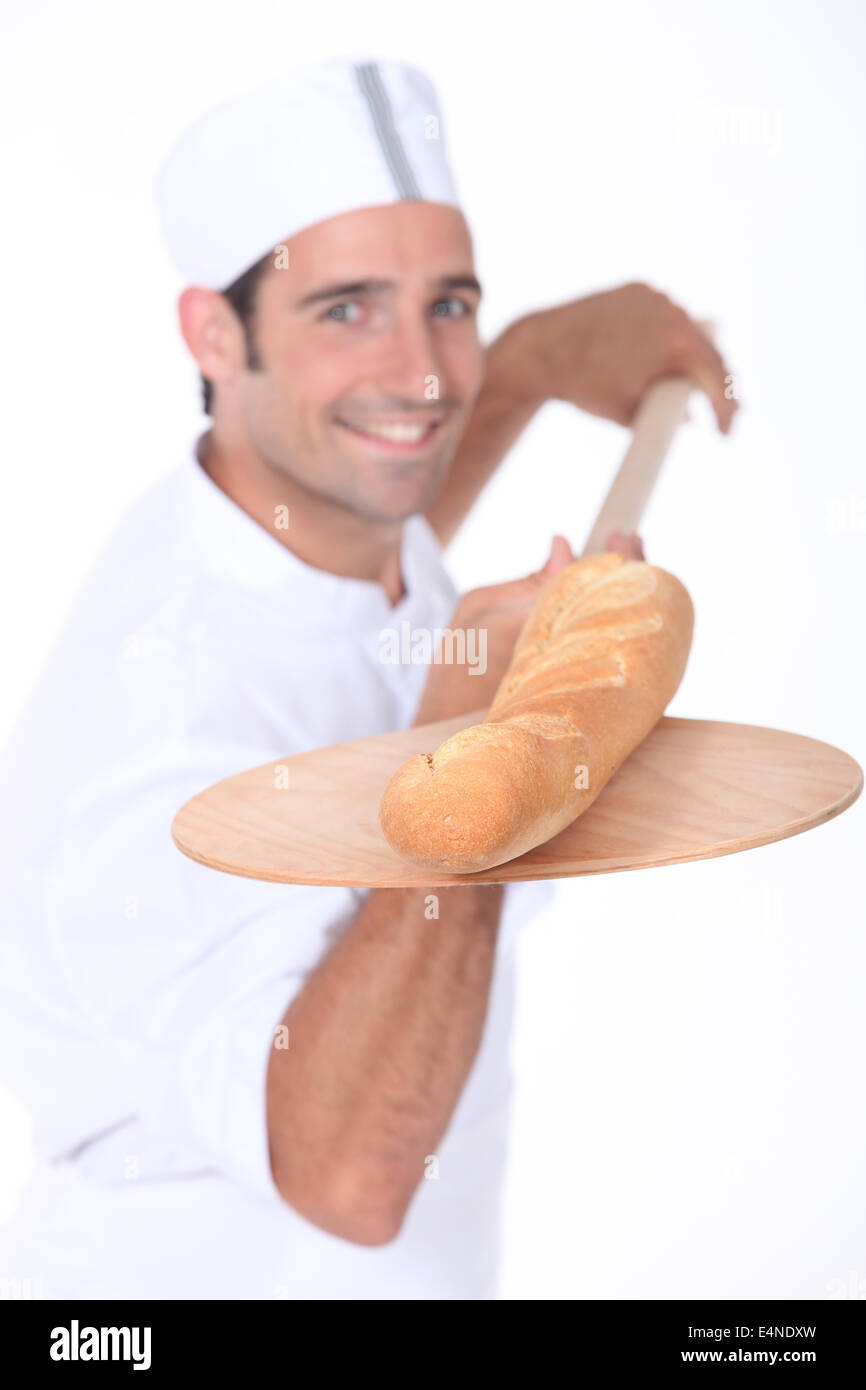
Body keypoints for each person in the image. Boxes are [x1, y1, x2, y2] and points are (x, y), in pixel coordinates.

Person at [0, 57, 736, 1300]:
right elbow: (346, 1173)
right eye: (344, 309)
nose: (424, 374)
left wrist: (533, 362)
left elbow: (365, 534)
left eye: (448, 303)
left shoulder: (288, 519)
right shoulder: (160, 728)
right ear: (213, 333)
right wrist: (477, 759)